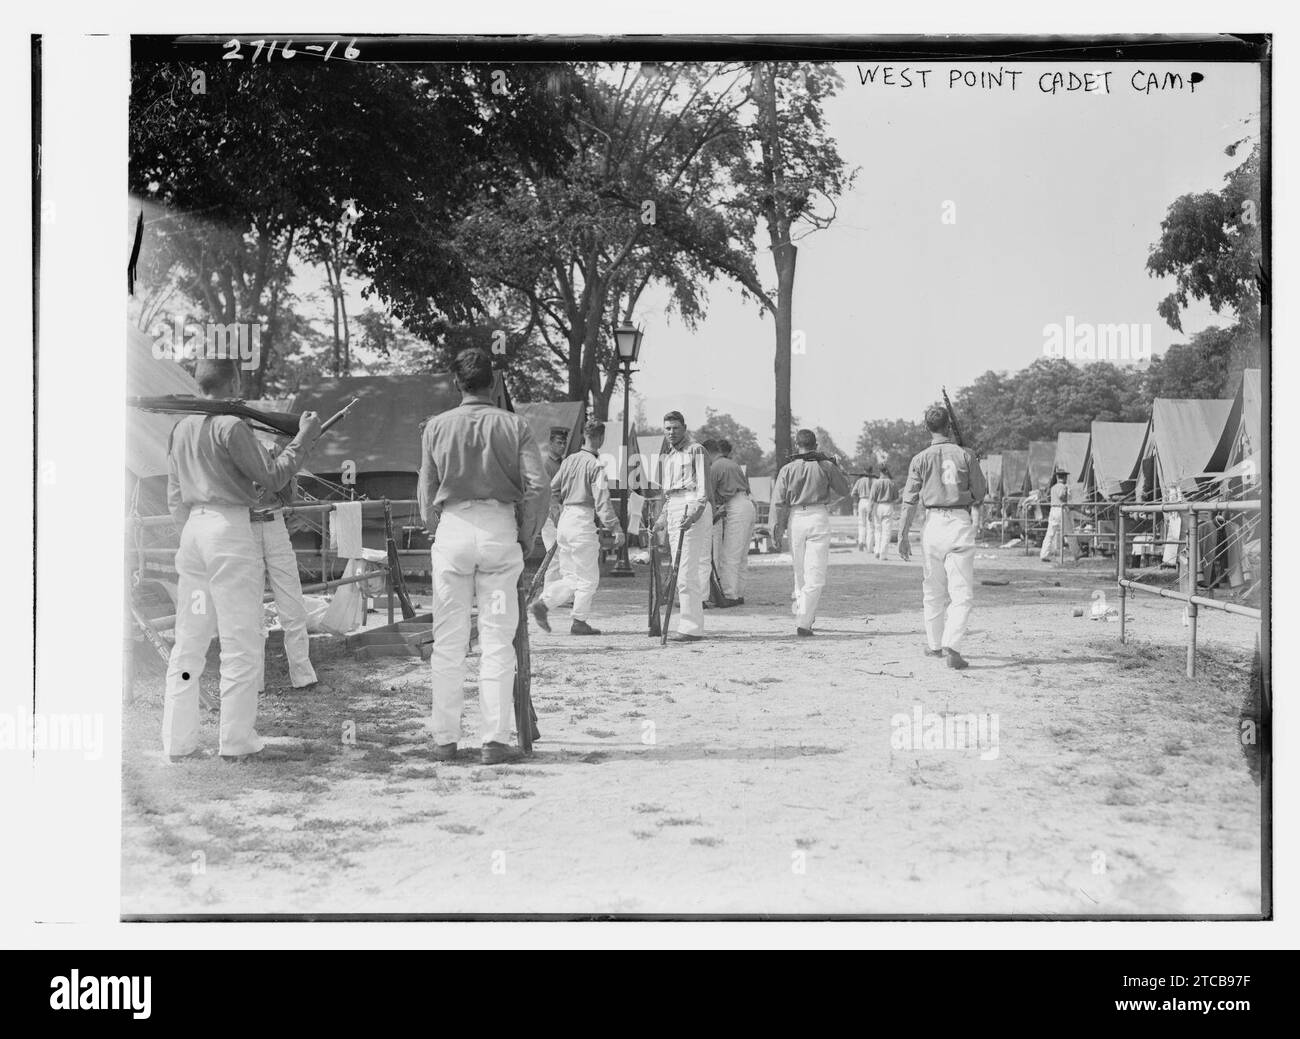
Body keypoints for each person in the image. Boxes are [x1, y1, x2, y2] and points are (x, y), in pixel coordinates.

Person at [162, 359, 321, 763]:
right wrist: (304, 439)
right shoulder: (232, 425)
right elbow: (273, 477)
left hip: (194, 532)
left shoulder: (181, 428)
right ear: (233, 381)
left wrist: (193, 531)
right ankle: (235, 740)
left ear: (199, 384)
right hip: (229, 530)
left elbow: (175, 495)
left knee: (189, 643)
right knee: (240, 640)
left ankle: (177, 741)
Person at [417, 349, 549, 765]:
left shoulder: (436, 427)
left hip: (453, 530)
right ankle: (493, 740)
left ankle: (444, 738)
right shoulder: (514, 425)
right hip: (498, 533)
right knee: (497, 640)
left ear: (457, 384)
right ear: (494, 384)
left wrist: (435, 528)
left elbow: (425, 487)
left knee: (449, 640)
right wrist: (526, 535)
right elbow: (538, 487)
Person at [896, 405, 988, 670]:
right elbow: (980, 493)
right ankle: (953, 646)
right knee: (961, 592)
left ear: (927, 428)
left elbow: (909, 500)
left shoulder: (920, 458)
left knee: (933, 588)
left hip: (932, 524)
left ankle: (935, 644)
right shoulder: (965, 454)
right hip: (959, 521)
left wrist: (902, 534)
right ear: (949, 425)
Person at [532, 420, 625, 635]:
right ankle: (579, 620)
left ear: (584, 435)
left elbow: (551, 490)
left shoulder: (569, 461)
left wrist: (556, 512)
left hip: (565, 519)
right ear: (601, 439)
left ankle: (544, 603)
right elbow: (602, 501)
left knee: (570, 576)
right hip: (583, 519)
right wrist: (616, 528)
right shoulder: (596, 465)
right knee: (588, 577)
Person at [770, 429, 851, 636]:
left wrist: (775, 528)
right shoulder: (826, 466)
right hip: (818, 516)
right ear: (816, 446)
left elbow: (778, 503)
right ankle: (804, 620)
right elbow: (844, 490)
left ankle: (802, 612)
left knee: (799, 571)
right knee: (815, 573)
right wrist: (836, 466)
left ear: (797, 446)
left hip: (795, 518)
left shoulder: (787, 469)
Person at [251, 466, 322, 695]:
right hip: (244, 525)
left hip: (275, 522)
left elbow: (290, 495)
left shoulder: (274, 448)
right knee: (250, 609)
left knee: (293, 603)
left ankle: (303, 675)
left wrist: (276, 474)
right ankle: (253, 681)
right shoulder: (232, 441)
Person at [655, 411, 711, 642]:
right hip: (675, 506)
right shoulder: (668, 456)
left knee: (685, 570)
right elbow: (668, 496)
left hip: (692, 505)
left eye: (676, 428)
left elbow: (703, 489)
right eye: (667, 428)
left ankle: (691, 628)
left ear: (684, 427)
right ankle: (690, 623)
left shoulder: (696, 450)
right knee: (678, 569)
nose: (671, 432)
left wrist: (695, 513)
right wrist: (661, 519)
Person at [707, 439, 756, 605]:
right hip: (747, 504)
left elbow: (709, 494)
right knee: (741, 556)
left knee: (729, 555)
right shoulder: (732, 464)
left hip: (735, 506)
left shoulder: (716, 466)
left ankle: (729, 595)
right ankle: (738, 592)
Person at [537, 426, 570, 603]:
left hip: (562, 513)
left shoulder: (562, 463)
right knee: (553, 555)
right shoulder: (545, 464)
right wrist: (553, 512)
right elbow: (545, 491)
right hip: (550, 515)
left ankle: (559, 596)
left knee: (563, 555)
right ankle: (547, 596)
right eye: (558, 442)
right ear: (550, 443)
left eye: (564, 442)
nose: (562, 446)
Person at [1039, 468, 1077, 563]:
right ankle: (1077, 553)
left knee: (1050, 533)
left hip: (1053, 510)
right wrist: (1066, 493)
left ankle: (1044, 554)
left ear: (1057, 477)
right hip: (1061, 509)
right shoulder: (1063, 486)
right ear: (1064, 477)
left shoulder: (1053, 487)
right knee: (1069, 532)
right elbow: (1061, 496)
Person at [868, 466, 901, 559]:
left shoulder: (876, 483)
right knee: (886, 532)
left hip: (877, 506)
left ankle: (877, 550)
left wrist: (869, 511)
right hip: (888, 506)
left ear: (880, 472)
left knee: (878, 530)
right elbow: (896, 498)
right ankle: (883, 553)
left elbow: (871, 498)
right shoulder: (892, 483)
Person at [851, 468, 877, 553]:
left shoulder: (860, 481)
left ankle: (861, 542)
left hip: (862, 501)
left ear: (865, 472)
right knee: (870, 525)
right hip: (871, 502)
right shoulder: (875, 480)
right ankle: (869, 547)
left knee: (861, 524)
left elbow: (853, 493)